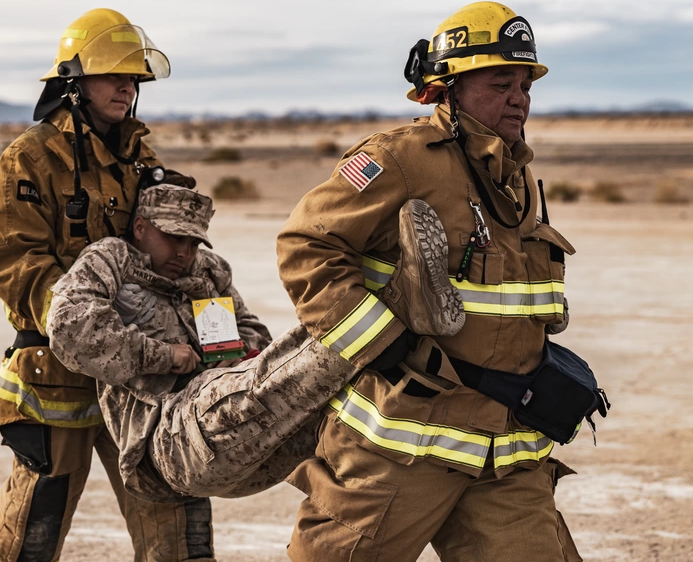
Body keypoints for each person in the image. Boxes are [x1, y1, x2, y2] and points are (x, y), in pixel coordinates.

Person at [276, 1, 586, 562]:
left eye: (525, 83)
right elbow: (308, 247)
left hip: (507, 453)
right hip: (402, 447)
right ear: (451, 87)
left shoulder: (516, 178)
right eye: (501, 83)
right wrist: (382, 345)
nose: (520, 97)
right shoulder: (399, 161)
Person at [45, 184, 465, 502]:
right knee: (289, 365)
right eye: (174, 238)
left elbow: (254, 336)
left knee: (344, 399)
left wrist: (235, 354)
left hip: (246, 440)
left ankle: (398, 296)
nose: (184, 251)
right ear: (140, 227)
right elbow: (69, 328)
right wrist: (163, 357)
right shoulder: (112, 259)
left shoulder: (208, 272)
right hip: (173, 439)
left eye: (193, 241)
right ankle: (393, 297)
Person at [0, 8, 211, 562]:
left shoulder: (140, 159)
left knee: (175, 514)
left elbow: (181, 254)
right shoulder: (31, 159)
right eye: (114, 76)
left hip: (143, 368)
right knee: (34, 526)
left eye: (133, 79)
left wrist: (207, 325)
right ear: (75, 84)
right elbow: (12, 258)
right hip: (60, 372)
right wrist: (82, 321)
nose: (126, 88)